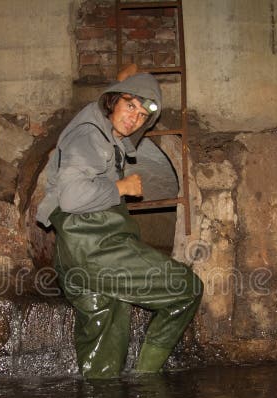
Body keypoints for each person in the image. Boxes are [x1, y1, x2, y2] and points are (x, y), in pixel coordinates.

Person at [35, 69, 203, 378]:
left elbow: (125, 111)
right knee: (187, 288)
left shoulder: (100, 130)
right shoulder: (90, 136)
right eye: (130, 106)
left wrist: (128, 80)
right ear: (112, 101)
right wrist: (120, 188)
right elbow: (71, 197)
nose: (134, 119)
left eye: (142, 115)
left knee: (104, 355)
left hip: (75, 254)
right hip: (96, 247)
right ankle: (145, 378)